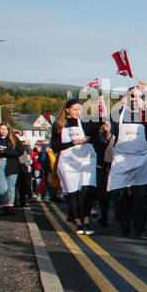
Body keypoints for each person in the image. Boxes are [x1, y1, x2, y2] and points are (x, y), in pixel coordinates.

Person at [106, 84, 147, 236]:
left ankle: (139, 228)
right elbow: (113, 132)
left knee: (140, 197)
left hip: (141, 160)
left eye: (137, 96)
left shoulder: (146, 115)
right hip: (121, 158)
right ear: (126, 98)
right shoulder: (117, 115)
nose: (134, 99)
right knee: (117, 194)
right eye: (131, 96)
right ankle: (124, 223)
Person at [51, 98, 97, 235]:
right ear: (67, 110)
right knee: (73, 193)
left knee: (87, 191)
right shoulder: (58, 126)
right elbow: (55, 146)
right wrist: (73, 142)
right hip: (68, 161)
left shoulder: (83, 123)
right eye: (76, 109)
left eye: (80, 109)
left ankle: (86, 220)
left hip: (85, 159)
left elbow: (94, 134)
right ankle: (77, 221)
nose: (79, 112)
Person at [0, 121, 23, 212]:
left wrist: (7, 151)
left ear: (8, 130)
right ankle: (4, 205)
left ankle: (10, 205)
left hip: (11, 164)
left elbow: (19, 151)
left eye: (5, 129)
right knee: (2, 186)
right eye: (1, 129)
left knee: (11, 186)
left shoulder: (14, 139)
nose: (3, 131)